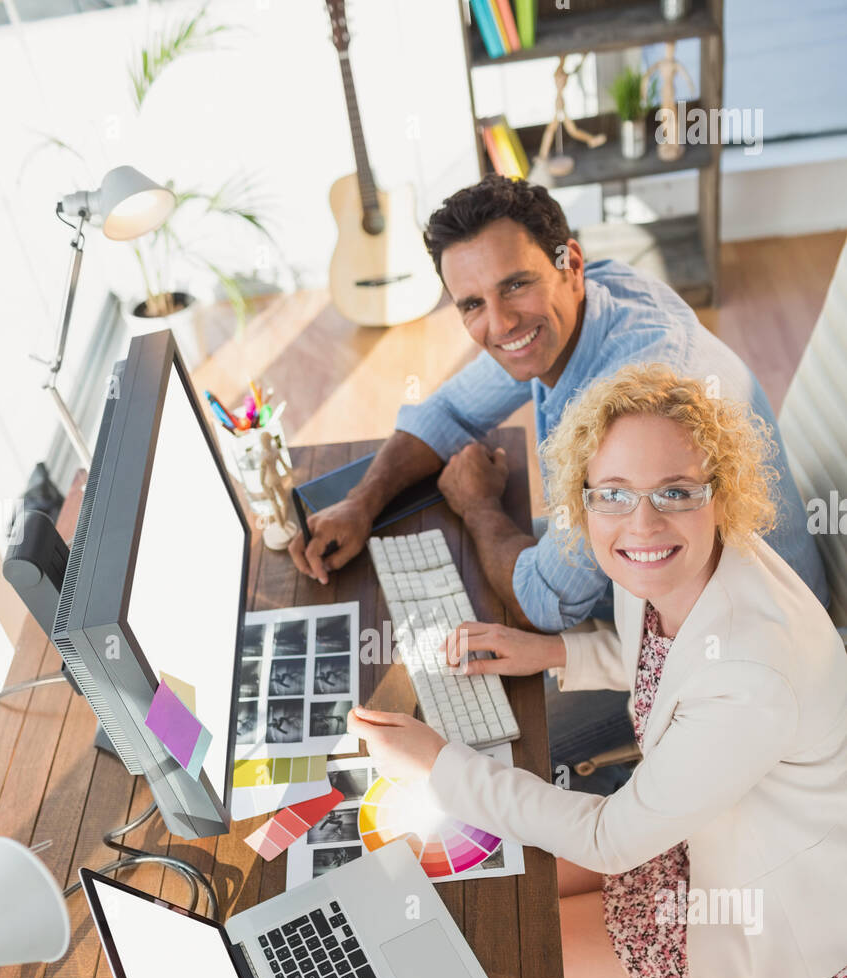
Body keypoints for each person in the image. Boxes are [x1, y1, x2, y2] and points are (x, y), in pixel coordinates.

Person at [346, 365, 847, 978]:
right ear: (587, 494)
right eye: (612, 494)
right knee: (494, 886)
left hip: (757, 927)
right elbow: (664, 656)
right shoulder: (681, 562)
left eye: (673, 493)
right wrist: (555, 656)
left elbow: (615, 836)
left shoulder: (753, 674)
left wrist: (437, 763)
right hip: (701, 834)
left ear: (719, 492)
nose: (640, 523)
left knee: (503, 952)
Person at [290, 173, 828, 780]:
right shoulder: (577, 308)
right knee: (448, 599)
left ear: (569, 264)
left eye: (514, 284)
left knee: (495, 754)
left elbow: (544, 603)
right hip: (650, 578)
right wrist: (361, 505)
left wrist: (479, 507)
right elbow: (449, 412)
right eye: (472, 304)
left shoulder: (628, 401)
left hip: (733, 656)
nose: (497, 324)